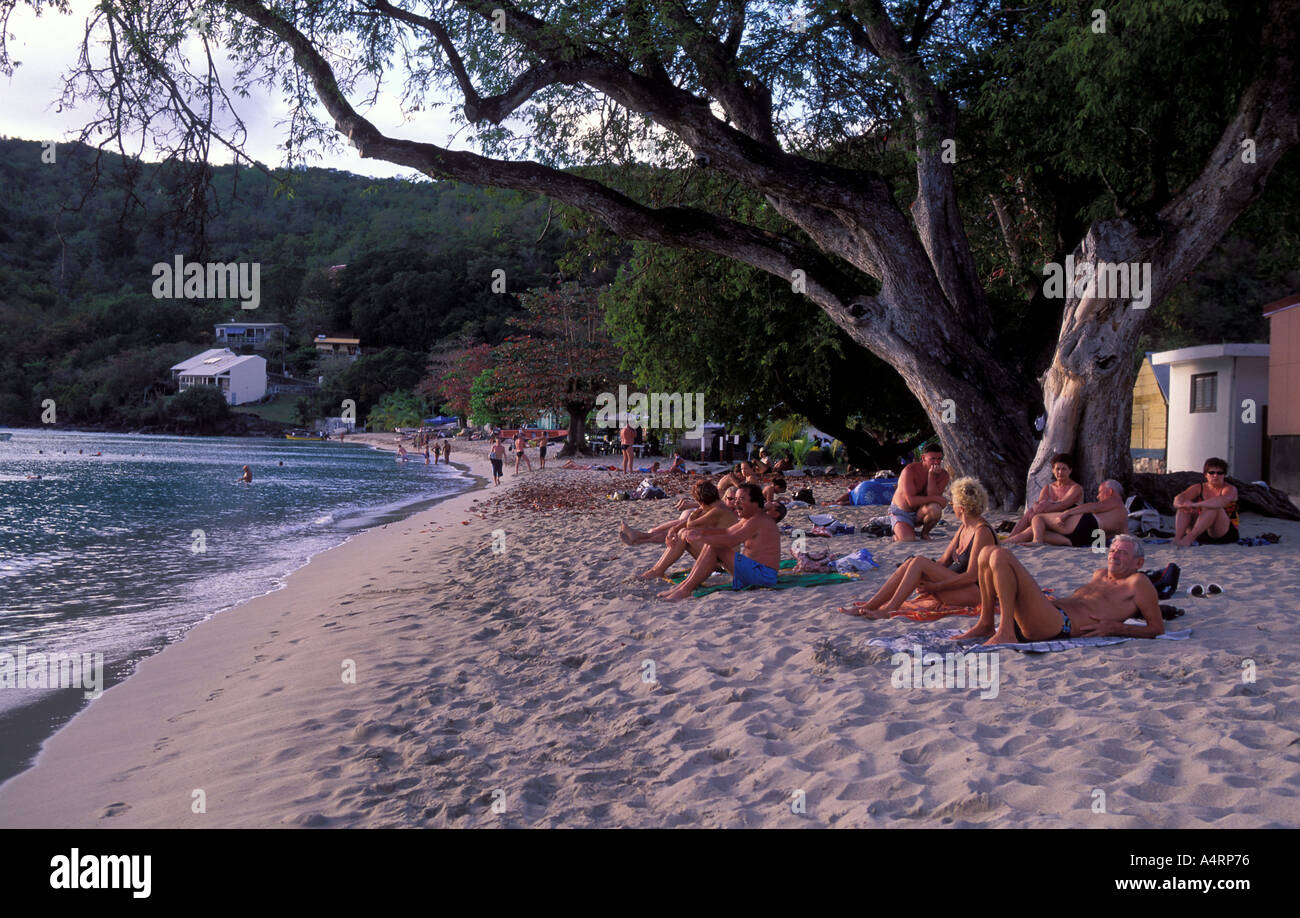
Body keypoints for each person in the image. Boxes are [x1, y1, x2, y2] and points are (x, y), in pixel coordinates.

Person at [956, 535, 1163, 646]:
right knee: (986, 552)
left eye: (1122, 553)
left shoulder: (1137, 582)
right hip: (1046, 612)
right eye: (1113, 550)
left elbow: (1156, 628)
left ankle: (1006, 632)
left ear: (1139, 562)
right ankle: (986, 623)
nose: (1114, 555)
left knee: (1001, 555)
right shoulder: (1099, 574)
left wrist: (1117, 629)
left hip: (1059, 625)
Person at [847, 477, 997, 616]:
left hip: (975, 593)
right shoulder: (965, 527)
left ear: (962, 508)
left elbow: (971, 576)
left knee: (918, 562)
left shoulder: (982, 532)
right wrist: (920, 573)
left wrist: (936, 586)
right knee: (912, 563)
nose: (952, 507)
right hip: (957, 585)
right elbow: (943, 562)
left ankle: (889, 609)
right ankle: (871, 605)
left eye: (952, 504)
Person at [657, 483, 781, 601]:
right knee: (712, 545)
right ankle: (684, 586)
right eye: (735, 499)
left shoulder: (757, 520)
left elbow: (731, 540)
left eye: (741, 499)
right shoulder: (749, 518)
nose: (736, 502)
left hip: (763, 576)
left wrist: (700, 538)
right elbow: (727, 532)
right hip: (753, 571)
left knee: (715, 547)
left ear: (755, 502)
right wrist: (700, 533)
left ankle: (685, 589)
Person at [627, 481, 739, 580]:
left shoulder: (719, 510)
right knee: (682, 533)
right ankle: (656, 570)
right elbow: (688, 523)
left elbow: (691, 524)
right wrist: (673, 529)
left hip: (727, 563)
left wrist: (691, 517)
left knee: (685, 534)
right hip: (721, 558)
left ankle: (657, 571)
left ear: (702, 502)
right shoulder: (715, 505)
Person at [1012, 479, 1127, 547]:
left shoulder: (1115, 500)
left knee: (1038, 518)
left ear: (1110, 491)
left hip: (1087, 523)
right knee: (1037, 530)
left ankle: (1037, 542)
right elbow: (1120, 536)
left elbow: (1094, 507)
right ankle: (1005, 542)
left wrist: (1067, 513)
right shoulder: (1124, 515)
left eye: (1100, 492)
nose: (1097, 496)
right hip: (1081, 540)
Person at [1006, 453, 1082, 538]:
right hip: (1048, 519)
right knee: (1031, 512)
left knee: (1035, 515)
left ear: (1070, 470)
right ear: (1053, 470)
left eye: (1064, 469)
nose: (1060, 472)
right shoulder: (1048, 488)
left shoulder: (1075, 488)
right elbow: (1040, 504)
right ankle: (1012, 537)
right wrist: (1037, 507)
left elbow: (1063, 505)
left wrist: (1042, 508)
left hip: (1067, 523)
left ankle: (1011, 539)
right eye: (1057, 469)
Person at [1173, 457, 1240, 546]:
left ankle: (1189, 539)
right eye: (1211, 472)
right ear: (1205, 475)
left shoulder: (1230, 489)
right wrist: (1180, 504)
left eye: (1220, 473)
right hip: (1201, 530)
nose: (1215, 476)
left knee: (1213, 507)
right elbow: (1180, 497)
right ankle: (1178, 538)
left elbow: (1221, 501)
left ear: (1224, 475)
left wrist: (1195, 504)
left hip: (1223, 532)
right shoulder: (1199, 487)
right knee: (1185, 508)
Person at [889, 444, 949, 540]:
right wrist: (937, 498)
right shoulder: (910, 471)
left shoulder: (943, 475)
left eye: (939, 459)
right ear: (923, 458)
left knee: (935, 509)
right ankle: (891, 526)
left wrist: (931, 476)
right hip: (902, 512)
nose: (937, 462)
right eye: (932, 459)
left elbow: (934, 500)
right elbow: (911, 501)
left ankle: (924, 533)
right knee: (907, 539)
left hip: (920, 512)